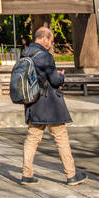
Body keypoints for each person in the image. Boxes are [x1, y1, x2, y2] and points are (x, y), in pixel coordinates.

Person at [20, 26, 87, 186]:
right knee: (61, 138)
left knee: (32, 138)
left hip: (33, 102)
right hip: (50, 104)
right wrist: (61, 77)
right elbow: (55, 81)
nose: (51, 44)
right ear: (44, 39)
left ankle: (26, 173)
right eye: (51, 40)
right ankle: (71, 174)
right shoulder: (45, 56)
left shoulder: (25, 54)